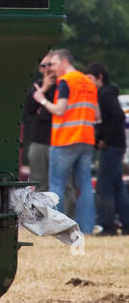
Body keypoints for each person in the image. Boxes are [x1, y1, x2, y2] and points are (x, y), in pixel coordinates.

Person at [34, 49, 100, 233]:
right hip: (86, 139)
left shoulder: (66, 81)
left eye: (54, 64)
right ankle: (86, 228)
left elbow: (60, 109)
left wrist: (42, 101)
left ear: (64, 62)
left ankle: (57, 229)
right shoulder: (88, 82)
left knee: (57, 184)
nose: (52, 69)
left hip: (65, 139)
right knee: (85, 185)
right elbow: (97, 114)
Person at [86, 62, 129, 235]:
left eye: (90, 78)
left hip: (111, 145)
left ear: (99, 77)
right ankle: (126, 223)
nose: (88, 82)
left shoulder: (104, 94)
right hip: (117, 145)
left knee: (104, 186)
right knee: (117, 186)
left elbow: (117, 116)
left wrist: (104, 139)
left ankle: (107, 225)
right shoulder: (109, 93)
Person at [23, 57, 74, 200]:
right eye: (43, 66)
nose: (47, 69)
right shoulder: (38, 86)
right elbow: (30, 110)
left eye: (50, 65)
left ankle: (67, 219)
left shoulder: (63, 85)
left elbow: (61, 111)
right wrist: (44, 89)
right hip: (40, 140)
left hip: (61, 140)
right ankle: (41, 219)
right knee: (39, 183)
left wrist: (44, 105)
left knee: (65, 184)